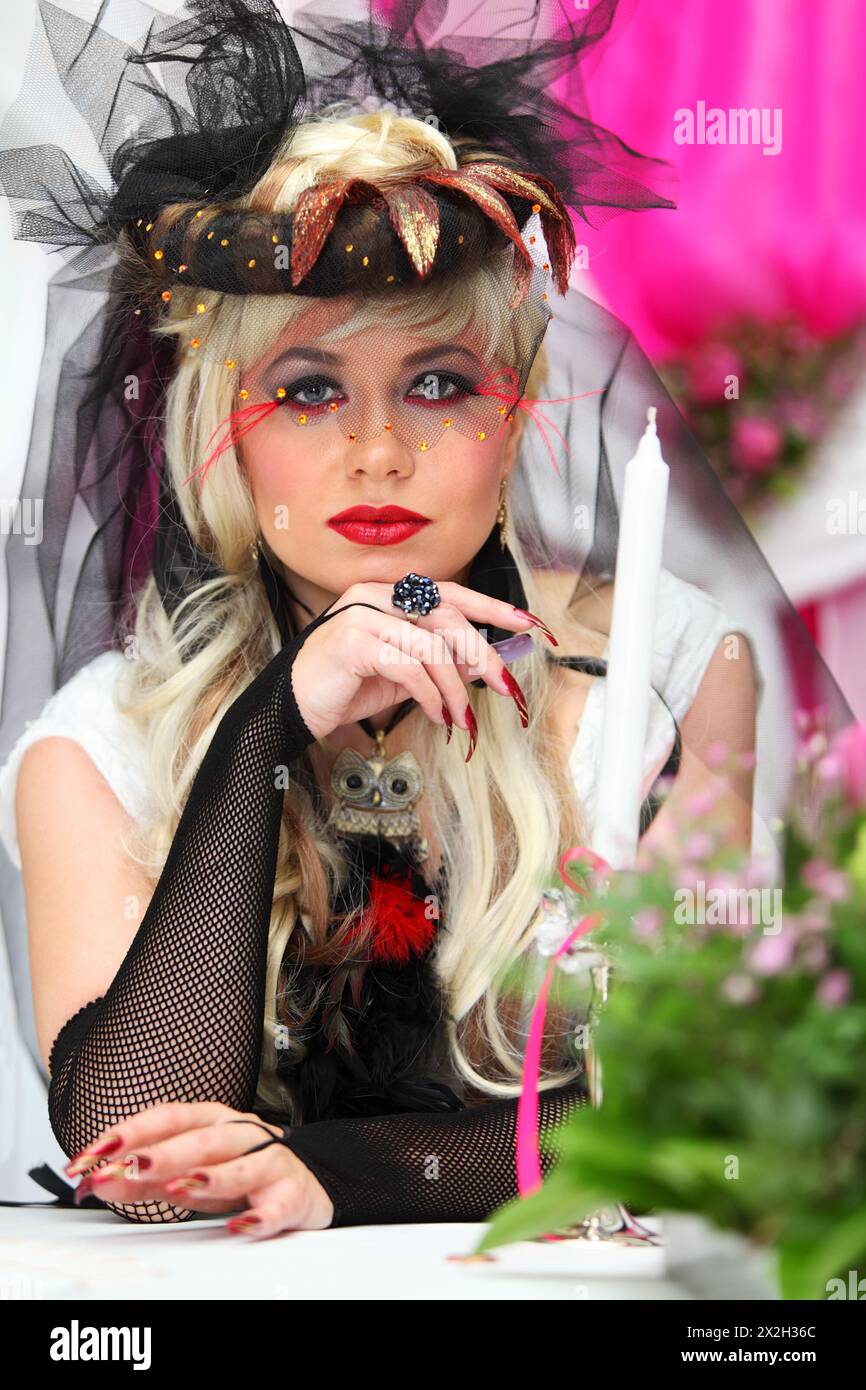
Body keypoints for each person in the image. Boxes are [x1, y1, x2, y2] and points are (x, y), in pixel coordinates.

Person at [0, 0, 849, 1235]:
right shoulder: (96, 753)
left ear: (513, 419)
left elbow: (690, 1112)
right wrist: (269, 724)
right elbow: (134, 1140)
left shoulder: (659, 669)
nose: (379, 451)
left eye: (437, 384)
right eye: (305, 391)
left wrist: (340, 1172)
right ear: (212, 435)